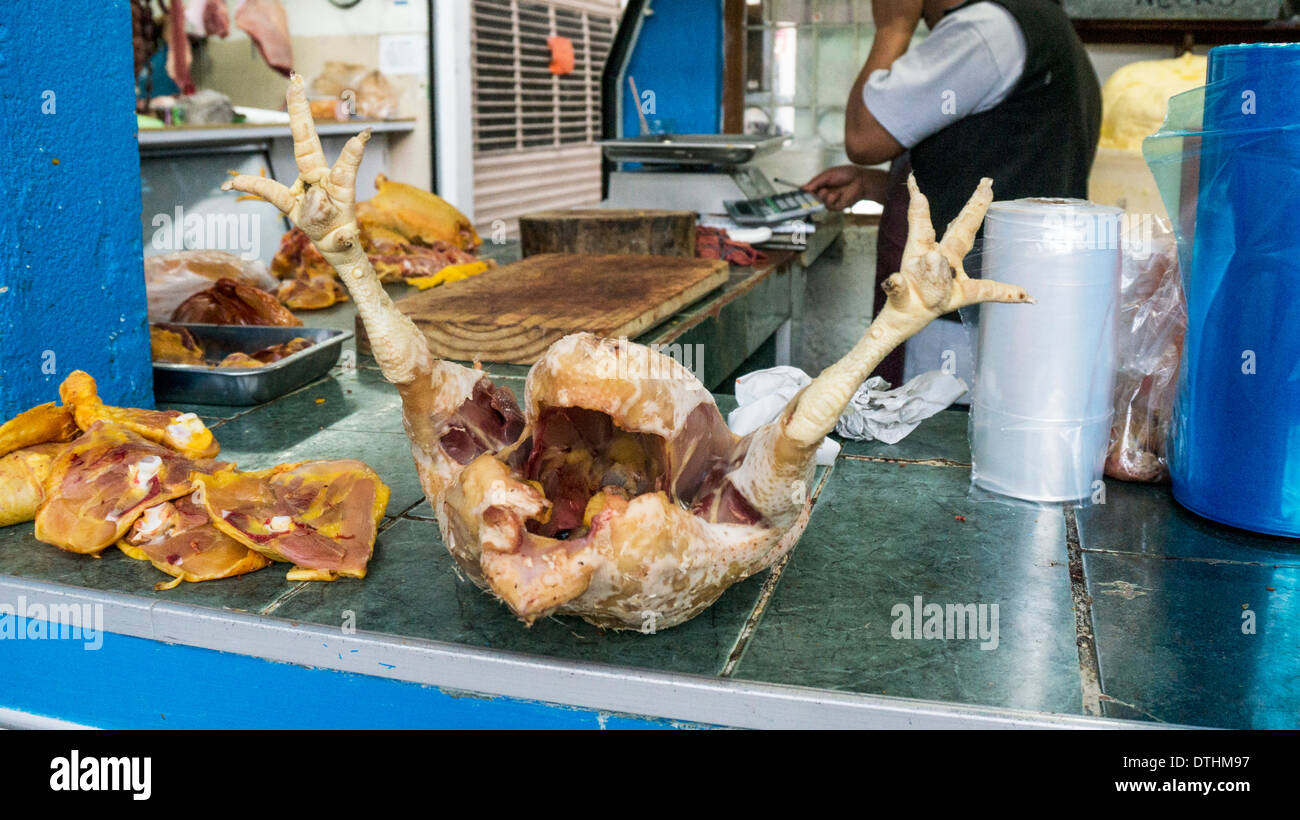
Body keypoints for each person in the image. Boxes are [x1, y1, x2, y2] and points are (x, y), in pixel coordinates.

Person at [803, 0, 1101, 385]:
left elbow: (864, 137)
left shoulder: (984, 29)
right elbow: (1002, 163)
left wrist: (893, 26)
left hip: (960, 324)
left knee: (936, 435)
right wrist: (876, 185)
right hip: (1008, 318)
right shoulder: (1040, 21)